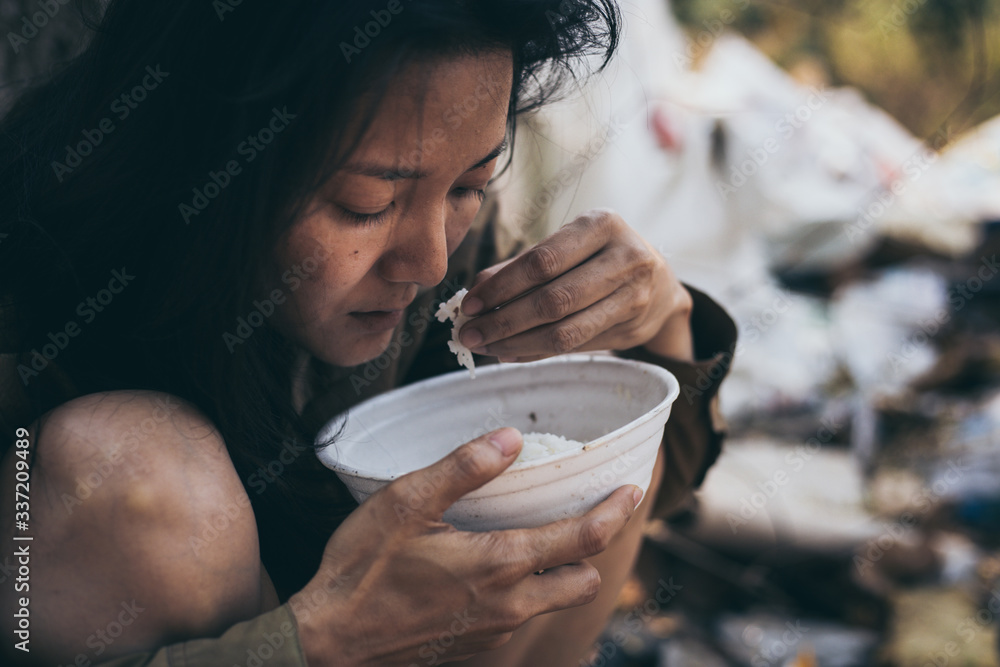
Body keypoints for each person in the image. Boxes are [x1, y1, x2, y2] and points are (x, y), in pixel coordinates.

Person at [0, 1, 736, 665]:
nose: (430, 261)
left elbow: (640, 494)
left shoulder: (450, 268)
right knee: (128, 470)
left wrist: (663, 317)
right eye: (365, 204)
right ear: (206, 162)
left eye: (469, 186)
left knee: (579, 409)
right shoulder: (30, 310)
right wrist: (316, 642)